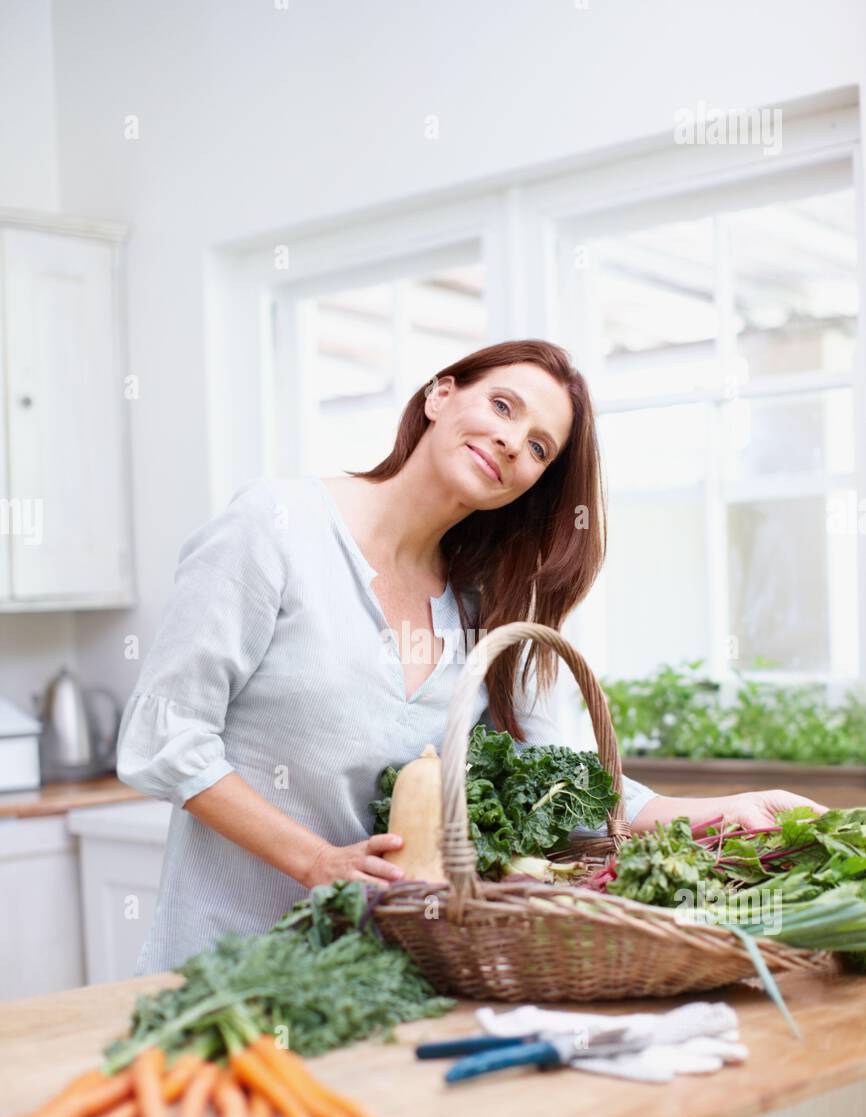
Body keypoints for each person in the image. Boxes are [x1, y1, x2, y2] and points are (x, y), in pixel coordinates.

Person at [117, 339, 825, 973]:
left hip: (377, 977)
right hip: (219, 972)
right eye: (503, 404)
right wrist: (316, 861)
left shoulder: (484, 607)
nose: (515, 441)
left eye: (541, 447)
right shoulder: (277, 527)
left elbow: (558, 786)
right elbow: (165, 735)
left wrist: (714, 810)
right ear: (440, 393)